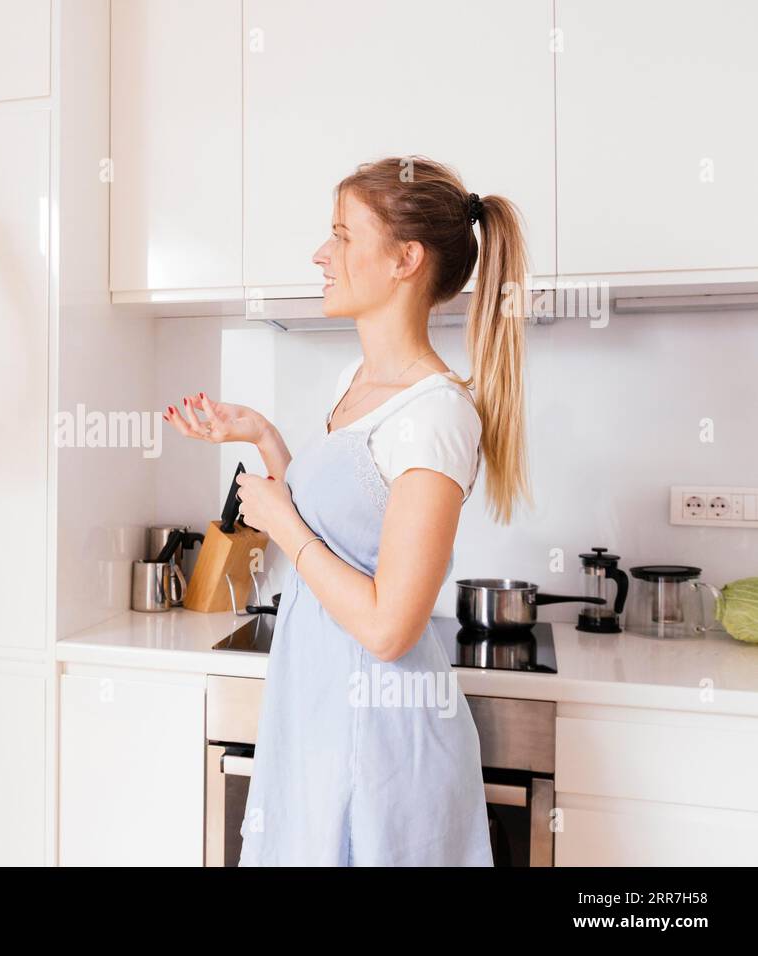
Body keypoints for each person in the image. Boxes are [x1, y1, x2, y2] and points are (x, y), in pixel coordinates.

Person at [165, 156, 532, 865]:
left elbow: (389, 628)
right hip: (321, 718)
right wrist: (264, 437)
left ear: (405, 259)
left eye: (341, 236)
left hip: (383, 748)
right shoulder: (357, 384)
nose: (320, 254)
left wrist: (282, 523)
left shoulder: (436, 415)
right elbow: (346, 524)